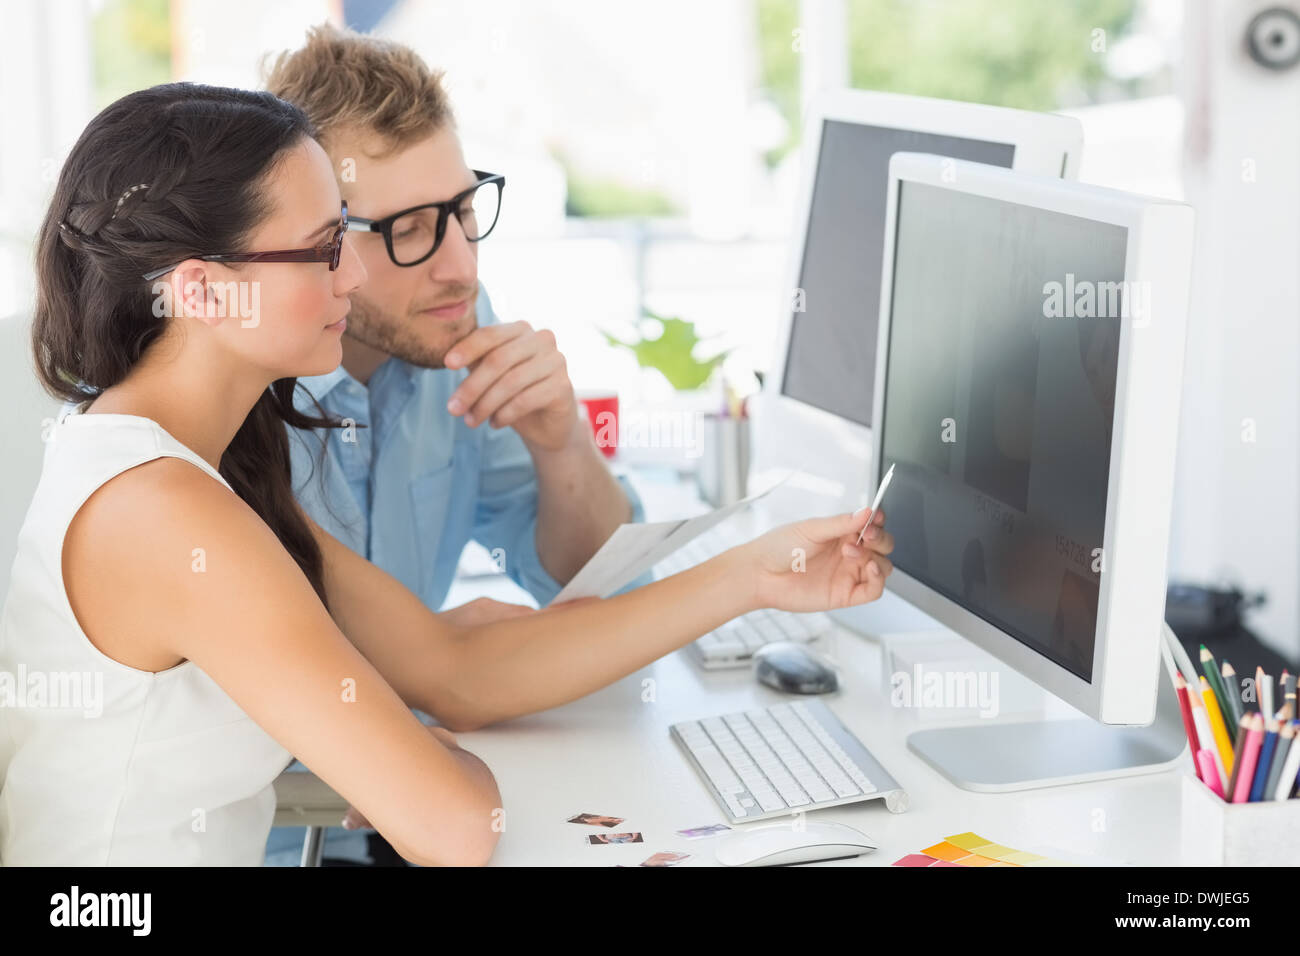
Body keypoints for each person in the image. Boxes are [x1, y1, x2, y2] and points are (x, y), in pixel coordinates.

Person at [0, 81, 894, 866]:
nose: (353, 275)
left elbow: (455, 666)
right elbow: (456, 825)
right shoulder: (166, 511)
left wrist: (758, 573)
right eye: (322, 249)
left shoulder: (207, 464)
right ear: (201, 292)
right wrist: (404, 758)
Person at [261, 23, 657, 864]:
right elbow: (422, 676)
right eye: (408, 227)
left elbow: (602, 588)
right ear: (315, 240)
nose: (459, 267)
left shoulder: (448, 338)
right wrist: (465, 662)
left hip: (411, 794)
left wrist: (561, 444)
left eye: (464, 209)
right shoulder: (241, 401)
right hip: (282, 832)